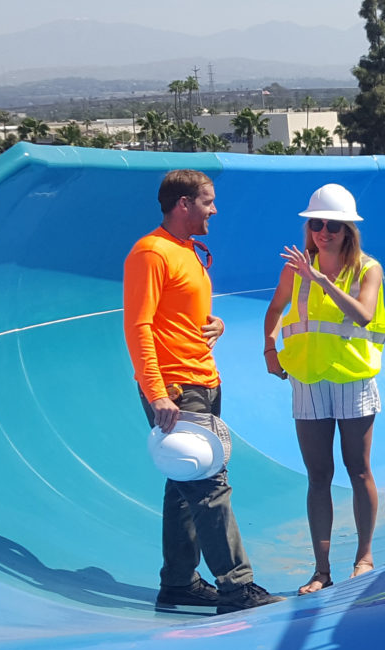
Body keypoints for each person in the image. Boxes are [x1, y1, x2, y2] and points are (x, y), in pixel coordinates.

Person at [123, 169, 284, 614]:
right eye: (208, 201)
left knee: (183, 485)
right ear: (183, 204)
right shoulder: (151, 253)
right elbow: (137, 327)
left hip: (204, 381)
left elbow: (178, 314)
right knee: (209, 486)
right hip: (175, 388)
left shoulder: (187, 251)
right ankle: (236, 587)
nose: (215, 209)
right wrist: (157, 394)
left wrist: (216, 324)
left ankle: (178, 583)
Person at [262, 183, 385, 596]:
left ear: (348, 229)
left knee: (358, 470)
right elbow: (276, 307)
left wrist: (320, 280)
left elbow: (365, 315)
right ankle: (321, 570)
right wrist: (269, 347)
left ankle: (364, 557)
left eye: (332, 225)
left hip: (353, 379)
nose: (323, 231)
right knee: (319, 476)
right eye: (316, 223)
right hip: (309, 380)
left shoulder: (367, 269)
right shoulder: (294, 268)